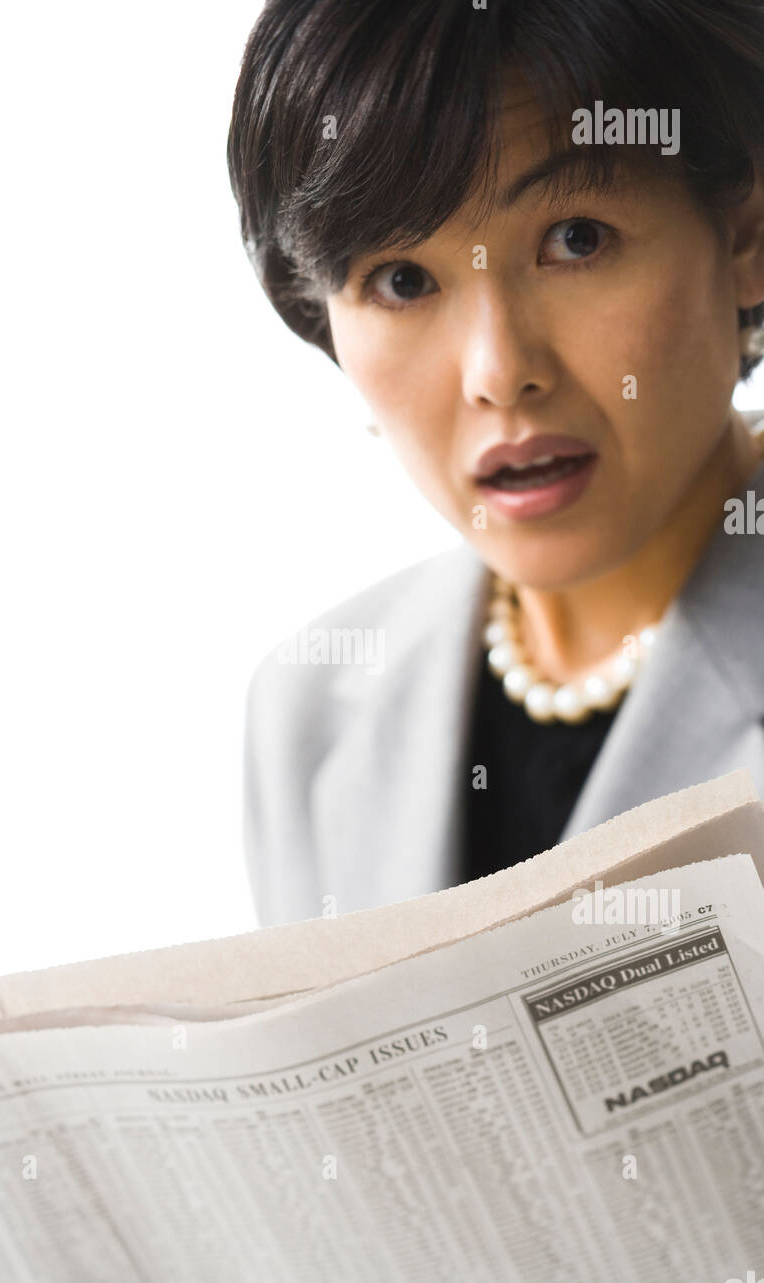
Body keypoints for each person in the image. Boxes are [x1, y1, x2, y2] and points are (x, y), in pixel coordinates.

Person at [227, 0, 764, 928]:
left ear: (748, 241)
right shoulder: (309, 713)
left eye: (577, 240)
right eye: (402, 281)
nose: (499, 374)